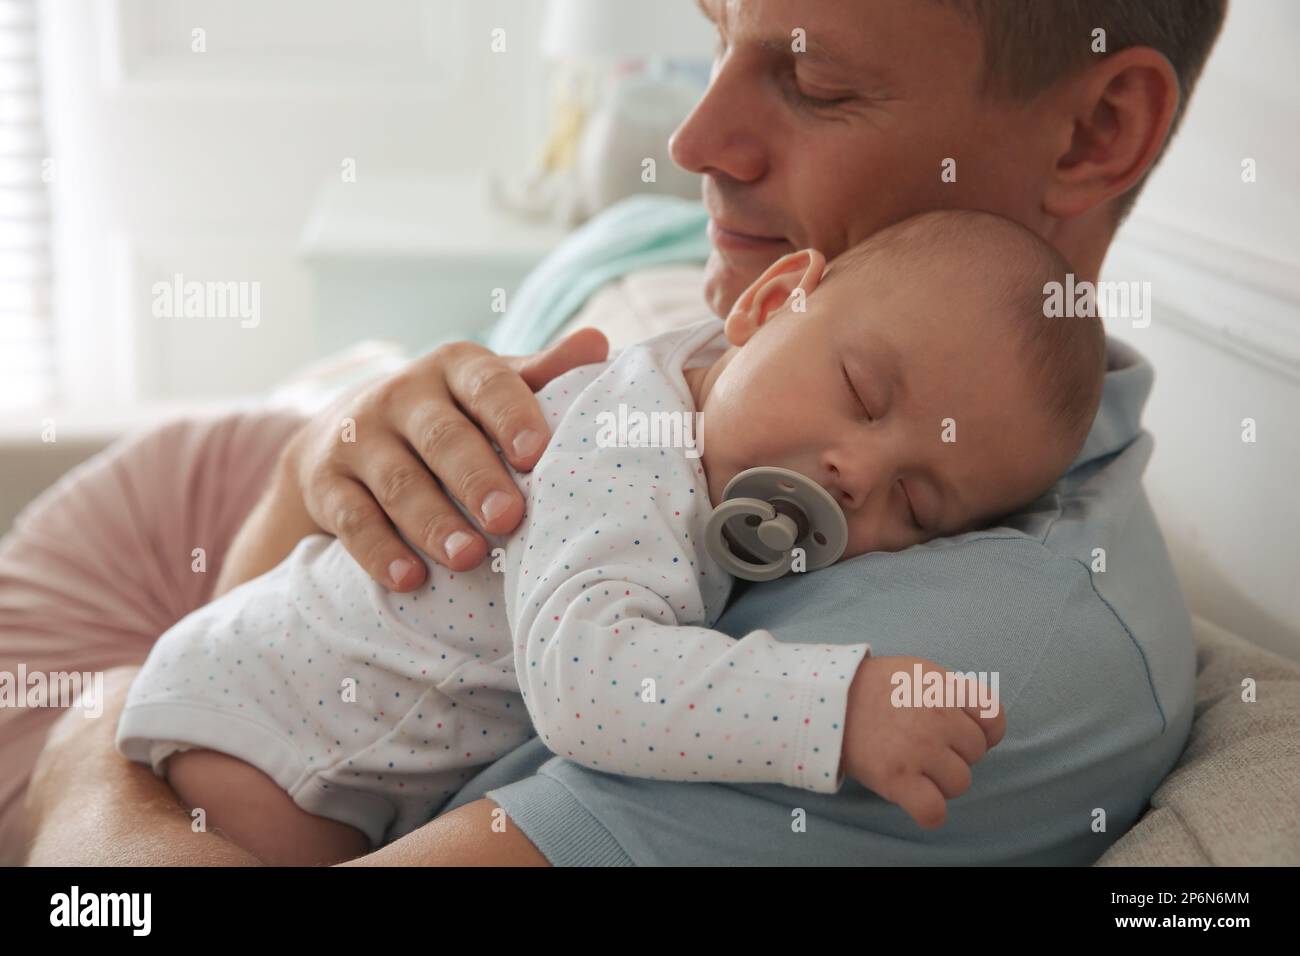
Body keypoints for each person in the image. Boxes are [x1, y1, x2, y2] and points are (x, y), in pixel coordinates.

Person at [16, 0, 1228, 866]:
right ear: (774, 308)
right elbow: (576, 658)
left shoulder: (1006, 653)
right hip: (177, 588)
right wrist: (319, 457)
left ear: (1092, 129)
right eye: (713, 35)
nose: (692, 143)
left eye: (811, 80)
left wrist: (85, 746)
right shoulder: (691, 384)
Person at [111, 211, 1090, 864]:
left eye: (915, 506)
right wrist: (832, 706)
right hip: (268, 730)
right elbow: (590, 683)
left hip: (321, 739)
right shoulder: (632, 448)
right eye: (862, 395)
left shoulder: (700, 456)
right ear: (763, 304)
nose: (856, 473)